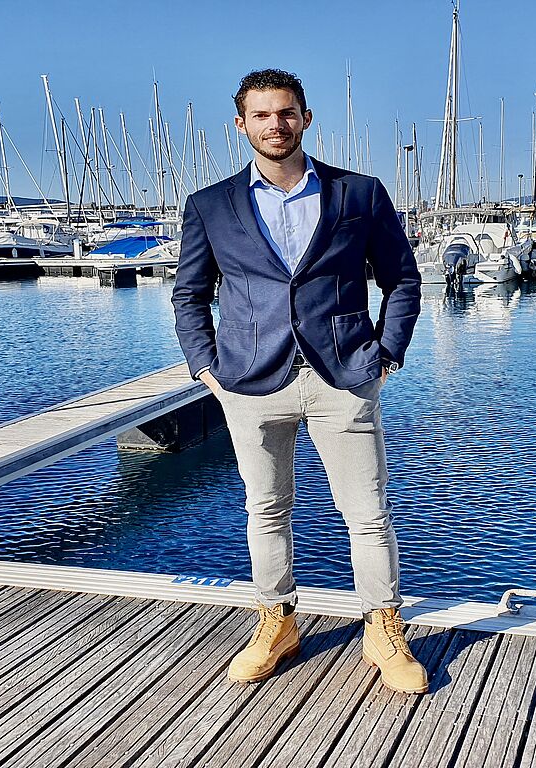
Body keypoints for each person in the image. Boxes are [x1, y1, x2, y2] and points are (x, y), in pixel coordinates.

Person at [171, 69, 425, 694]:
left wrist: (386, 353)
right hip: (250, 381)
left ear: (306, 118)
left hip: (343, 377)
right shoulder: (210, 205)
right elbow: (190, 294)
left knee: (367, 513)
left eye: (286, 113)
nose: (275, 125)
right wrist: (207, 368)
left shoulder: (358, 194)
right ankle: (276, 621)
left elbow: (403, 279)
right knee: (266, 508)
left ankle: (383, 627)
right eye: (261, 115)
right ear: (241, 125)